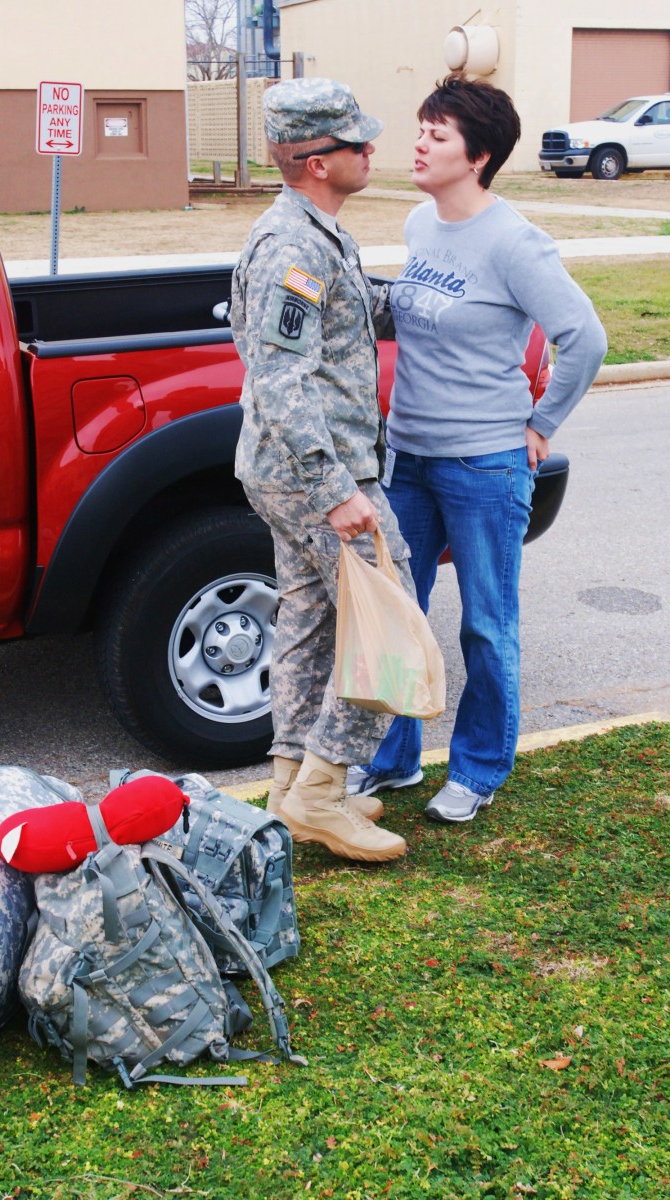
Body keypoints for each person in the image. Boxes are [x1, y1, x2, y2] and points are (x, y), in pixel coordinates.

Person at [348, 74, 608, 823]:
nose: (419, 143)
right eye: (422, 128)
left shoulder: (515, 242)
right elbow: (416, 315)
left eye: (438, 133)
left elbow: (584, 339)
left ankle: (479, 768)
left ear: (479, 154)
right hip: (411, 457)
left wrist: (540, 423)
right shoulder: (420, 225)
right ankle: (392, 760)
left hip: (485, 464)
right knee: (400, 612)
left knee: (486, 625)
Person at [231, 77, 414, 862]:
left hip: (294, 471)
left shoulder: (316, 230)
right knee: (392, 627)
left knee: (307, 624)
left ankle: (288, 786)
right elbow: (279, 378)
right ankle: (323, 790)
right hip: (318, 476)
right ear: (313, 161)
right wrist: (337, 490)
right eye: (356, 143)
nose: (371, 150)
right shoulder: (295, 247)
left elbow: (341, 324)